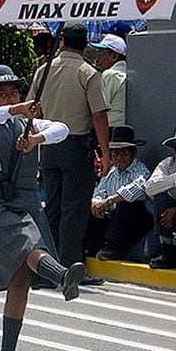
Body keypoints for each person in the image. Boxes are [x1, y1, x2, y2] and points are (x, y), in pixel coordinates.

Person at [0, 64, 83, 351]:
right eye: (1, 95)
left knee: (20, 279)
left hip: (27, 198)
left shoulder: (30, 125)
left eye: (14, 92)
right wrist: (17, 108)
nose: (9, 98)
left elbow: (61, 129)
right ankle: (61, 277)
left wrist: (36, 139)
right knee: (29, 244)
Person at [28, 21, 111, 281]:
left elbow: (32, 108)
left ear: (62, 41)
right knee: (74, 210)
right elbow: (98, 116)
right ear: (85, 44)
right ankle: (70, 267)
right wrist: (106, 154)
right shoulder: (88, 72)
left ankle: (46, 269)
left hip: (47, 144)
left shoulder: (43, 70)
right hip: (75, 146)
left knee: (51, 207)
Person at [89, 125, 152, 262]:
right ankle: (90, 246)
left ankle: (114, 248)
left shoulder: (141, 171)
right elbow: (99, 192)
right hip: (114, 222)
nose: (118, 157)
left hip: (136, 223)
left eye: (123, 153)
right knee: (92, 208)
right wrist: (97, 202)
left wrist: (109, 201)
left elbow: (138, 189)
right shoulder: (111, 172)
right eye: (114, 153)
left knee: (126, 203)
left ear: (133, 153)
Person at [145, 123, 176, 271]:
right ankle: (167, 253)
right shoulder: (167, 164)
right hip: (174, 220)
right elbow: (150, 188)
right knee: (160, 200)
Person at [89, 34, 127, 128]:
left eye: (101, 54)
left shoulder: (111, 75)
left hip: (110, 129)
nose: (97, 59)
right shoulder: (125, 72)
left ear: (114, 56)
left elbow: (98, 108)